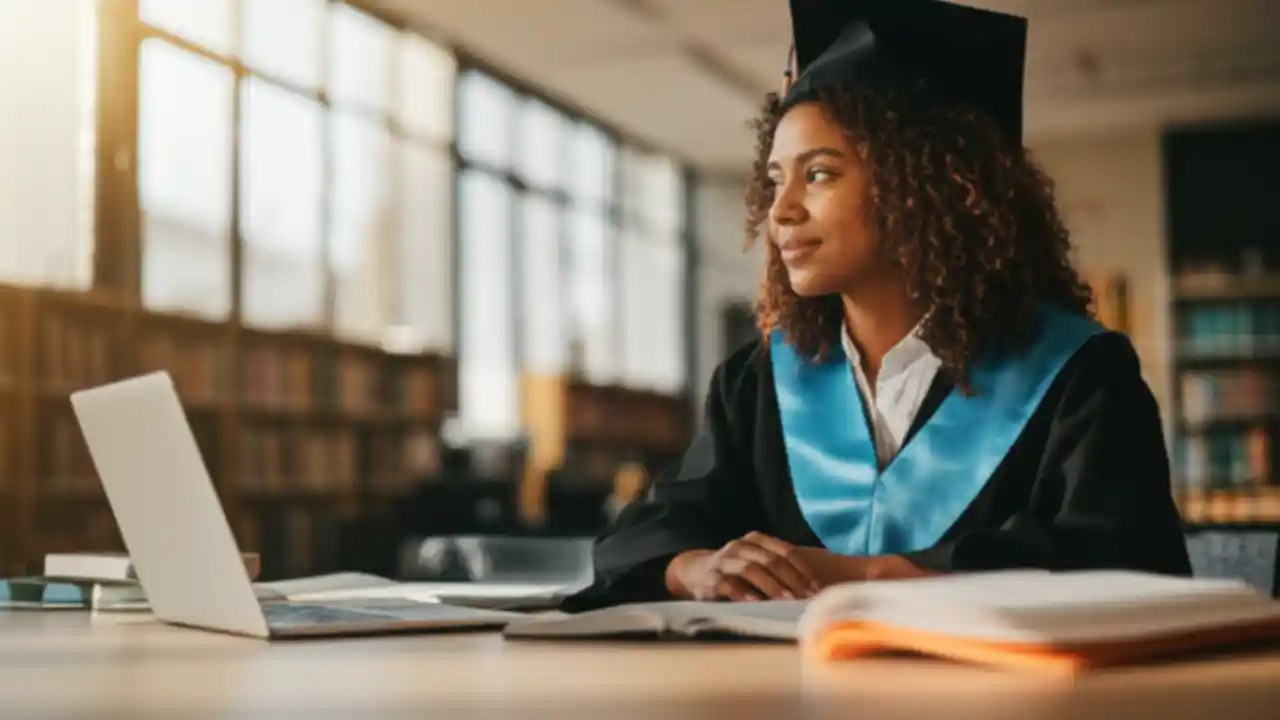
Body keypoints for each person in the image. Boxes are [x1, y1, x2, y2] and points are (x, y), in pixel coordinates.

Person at [564, 0, 1190, 610]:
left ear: (926, 187)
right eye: (776, 180)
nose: (781, 212)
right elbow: (643, 534)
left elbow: (1127, 563)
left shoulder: (1079, 377)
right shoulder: (758, 383)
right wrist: (696, 568)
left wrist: (868, 575)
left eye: (820, 174)